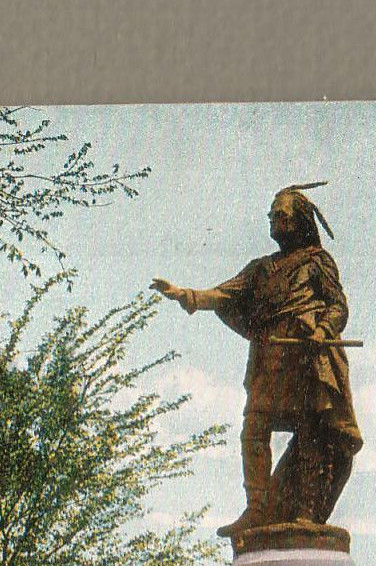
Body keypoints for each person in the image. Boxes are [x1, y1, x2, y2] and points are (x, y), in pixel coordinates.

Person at [152, 183, 363, 538]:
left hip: (306, 356)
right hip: (269, 357)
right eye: (271, 216)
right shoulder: (261, 268)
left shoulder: (317, 262)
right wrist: (183, 294)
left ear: (299, 221)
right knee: (254, 428)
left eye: (280, 216)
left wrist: (324, 329)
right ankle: (257, 508)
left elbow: (337, 305)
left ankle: (308, 512)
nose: (273, 222)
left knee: (311, 430)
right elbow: (223, 294)